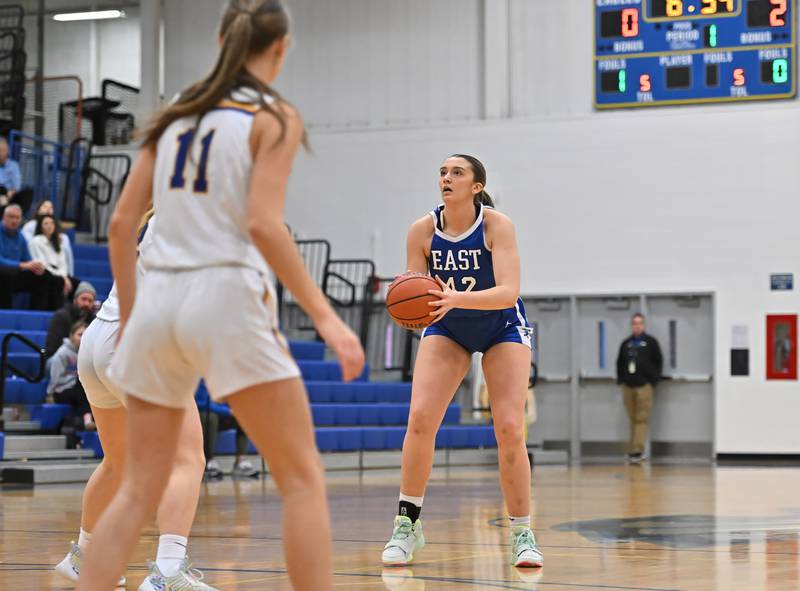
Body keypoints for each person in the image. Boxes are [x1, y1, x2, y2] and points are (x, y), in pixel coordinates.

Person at [76, 2, 366, 590]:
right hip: (224, 297)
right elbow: (264, 225)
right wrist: (327, 317)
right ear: (281, 49)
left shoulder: (176, 115)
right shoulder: (274, 115)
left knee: (136, 489)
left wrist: (133, 317)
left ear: (218, 38)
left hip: (156, 305)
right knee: (302, 480)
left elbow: (118, 225)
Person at [380, 155, 544, 569]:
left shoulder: (496, 225)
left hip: (501, 326)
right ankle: (407, 524)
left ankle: (523, 532)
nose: (446, 178)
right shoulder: (422, 231)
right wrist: (410, 311)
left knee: (508, 426)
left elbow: (508, 291)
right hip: (450, 328)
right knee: (419, 419)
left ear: (476, 186)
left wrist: (455, 298)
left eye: (457, 173)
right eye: (442, 172)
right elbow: (414, 290)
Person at [56, 213, 214, 590]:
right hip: (139, 343)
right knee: (187, 458)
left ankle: (85, 559)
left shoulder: (168, 203)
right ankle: (167, 573)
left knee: (120, 462)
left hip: (100, 339)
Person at [616, 313, 663, 464]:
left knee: (641, 419)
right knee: (632, 419)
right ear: (632, 325)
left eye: (640, 323)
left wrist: (653, 380)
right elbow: (620, 363)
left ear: (644, 325)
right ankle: (632, 450)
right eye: (635, 323)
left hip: (644, 386)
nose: (637, 326)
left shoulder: (650, 343)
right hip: (628, 386)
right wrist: (621, 380)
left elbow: (658, 361)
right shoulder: (626, 344)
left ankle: (637, 450)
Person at [0, 204, 64, 310]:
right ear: (4, 217)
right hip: (3, 274)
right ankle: (7, 313)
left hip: (16, 275)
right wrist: (22, 265)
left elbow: (28, 259)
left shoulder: (20, 237)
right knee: (6, 275)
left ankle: (40, 312)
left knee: (45, 276)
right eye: (11, 217)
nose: (14, 220)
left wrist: (35, 267)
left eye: (17, 217)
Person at [196, 385, 259, 479]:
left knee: (243, 417)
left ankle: (240, 461)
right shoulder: (203, 377)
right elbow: (202, 403)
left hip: (226, 413)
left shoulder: (232, 377)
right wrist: (228, 411)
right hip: (208, 413)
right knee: (211, 418)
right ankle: (209, 461)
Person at [47, 321, 95, 431]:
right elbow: (55, 377)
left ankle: (82, 423)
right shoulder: (62, 353)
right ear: (71, 336)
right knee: (82, 388)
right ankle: (87, 420)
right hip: (60, 391)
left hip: (76, 390)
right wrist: (49, 394)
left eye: (85, 335)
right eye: (80, 334)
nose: (83, 338)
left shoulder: (87, 353)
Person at [28, 214, 79, 299]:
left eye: (52, 223)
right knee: (58, 281)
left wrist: (65, 277)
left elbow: (63, 264)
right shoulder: (36, 241)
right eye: (46, 223)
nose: (49, 226)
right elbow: (43, 264)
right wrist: (63, 278)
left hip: (59, 273)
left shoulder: (58, 243)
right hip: (44, 273)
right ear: (40, 226)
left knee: (79, 284)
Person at [22, 200, 75, 275]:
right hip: (37, 262)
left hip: (56, 264)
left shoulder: (60, 234)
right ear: (38, 210)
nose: (48, 209)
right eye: (45, 206)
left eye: (51, 207)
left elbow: (63, 253)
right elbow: (28, 246)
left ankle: (69, 274)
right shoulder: (30, 226)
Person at [46, 282, 96, 357]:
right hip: (59, 358)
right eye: (83, 299)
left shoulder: (95, 320)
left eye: (90, 301)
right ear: (75, 299)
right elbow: (51, 348)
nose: (86, 304)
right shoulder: (61, 316)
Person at [0, 137, 33, 216]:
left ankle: (16, 216)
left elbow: (16, 186)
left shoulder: (14, 166)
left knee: (28, 192)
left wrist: (10, 194)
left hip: (8, 196)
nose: (0, 153)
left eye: (2, 150)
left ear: (7, 152)